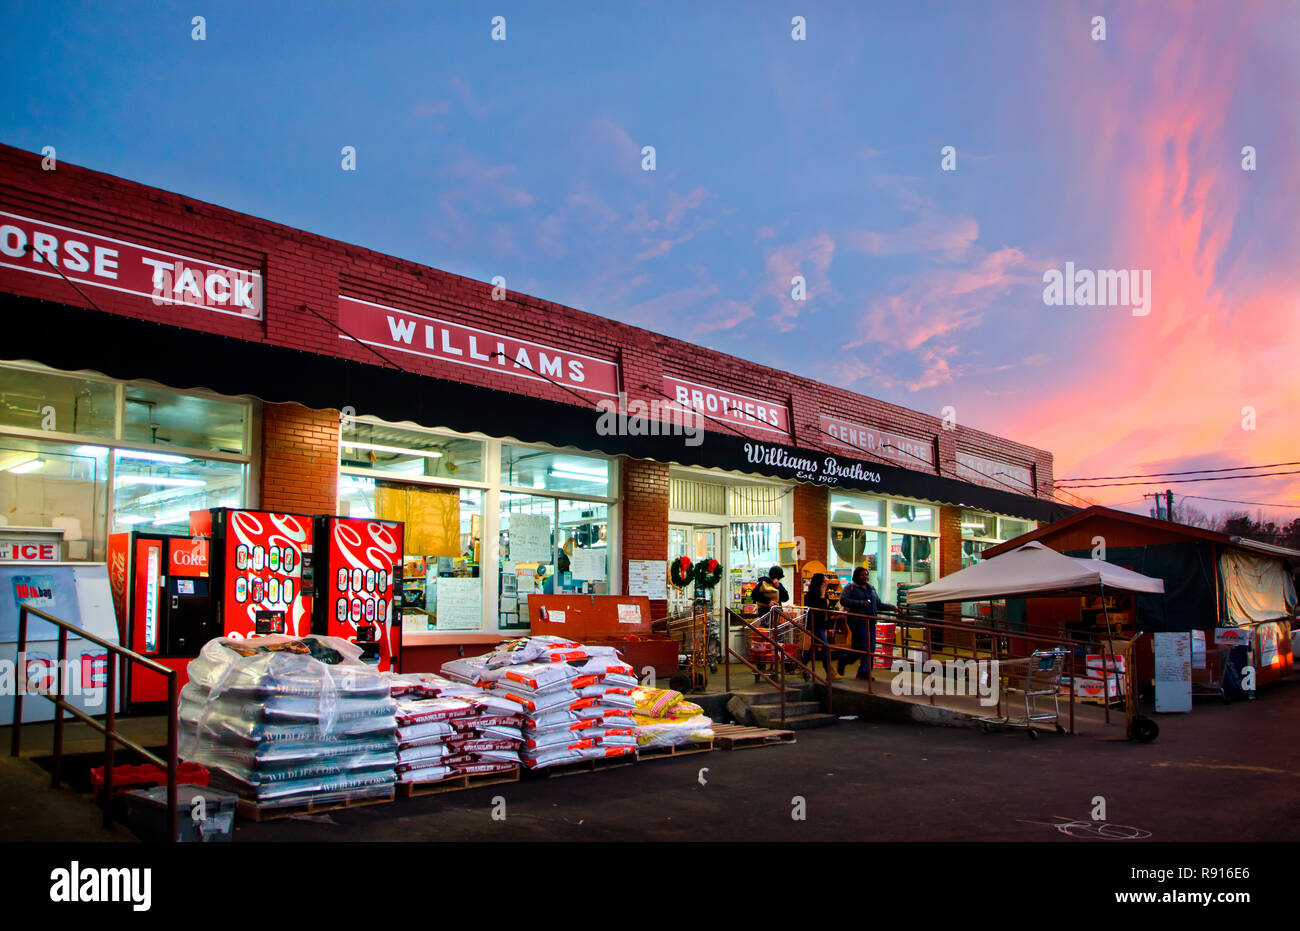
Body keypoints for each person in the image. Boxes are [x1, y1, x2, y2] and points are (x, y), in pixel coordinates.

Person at [838, 566, 894, 679]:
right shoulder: (851, 587)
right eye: (862, 575)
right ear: (856, 576)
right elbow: (844, 600)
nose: (865, 577)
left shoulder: (871, 589)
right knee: (864, 647)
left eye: (867, 575)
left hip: (871, 621)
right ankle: (851, 664)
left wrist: (892, 607)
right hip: (858, 622)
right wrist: (861, 603)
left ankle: (862, 671)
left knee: (870, 648)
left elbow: (878, 604)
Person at [803, 572, 841, 678]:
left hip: (822, 623)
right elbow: (819, 607)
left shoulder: (825, 594)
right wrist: (823, 594)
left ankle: (802, 665)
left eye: (827, 581)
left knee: (814, 647)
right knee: (826, 646)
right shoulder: (810, 595)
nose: (826, 583)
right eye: (824, 581)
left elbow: (825, 608)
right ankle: (829, 671)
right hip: (815, 624)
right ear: (819, 582)